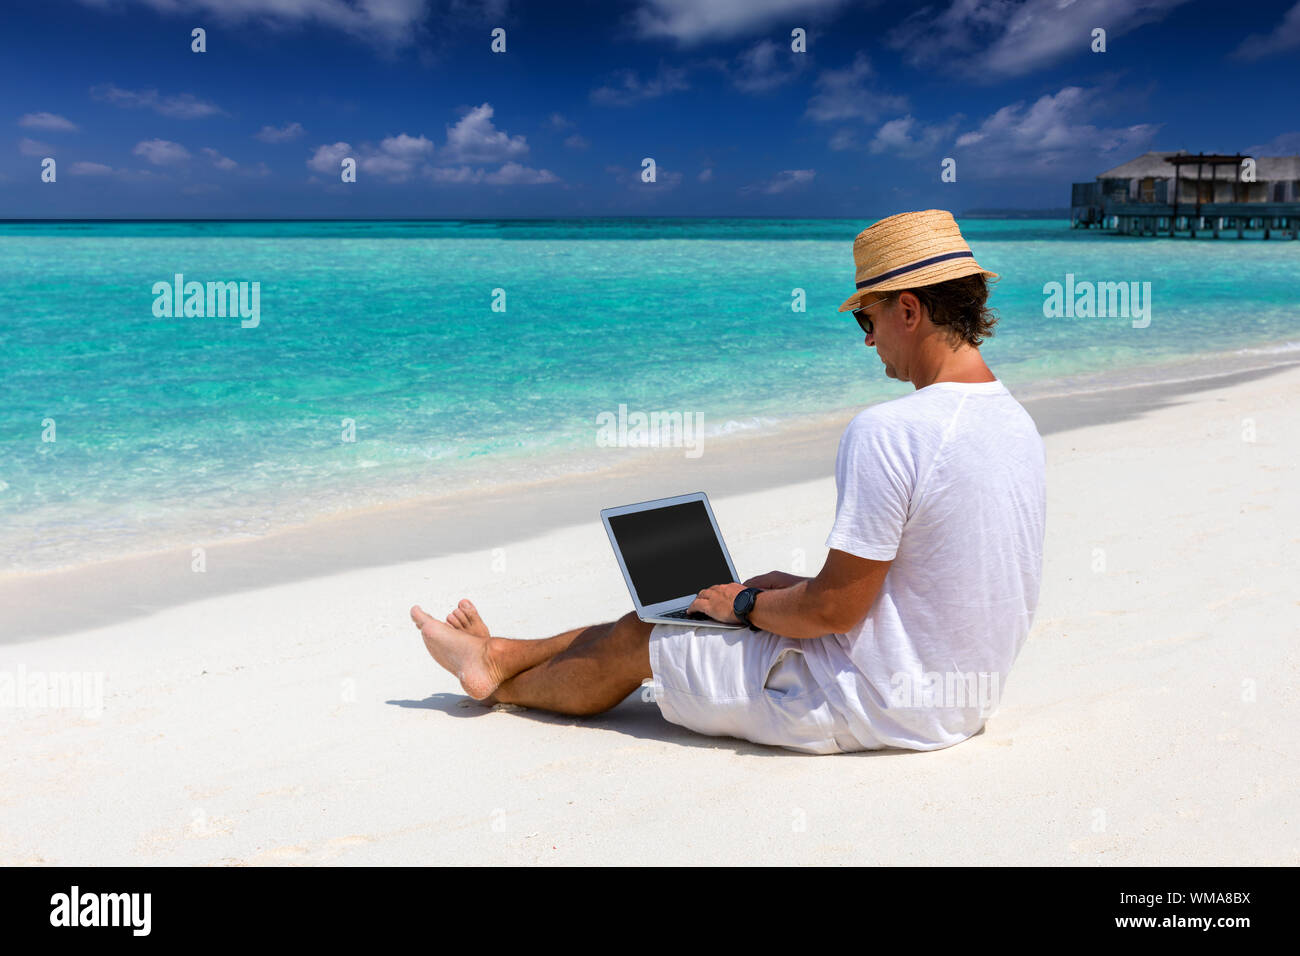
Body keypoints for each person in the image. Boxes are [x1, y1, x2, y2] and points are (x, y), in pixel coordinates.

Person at [411, 209, 1046, 754]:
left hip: (874, 704)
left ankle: (496, 676)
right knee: (694, 608)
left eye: (867, 320)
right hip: (961, 697)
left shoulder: (891, 430)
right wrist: (782, 592)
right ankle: (499, 652)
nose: (868, 341)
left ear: (908, 309)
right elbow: (932, 577)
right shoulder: (1015, 422)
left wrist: (746, 605)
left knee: (649, 631)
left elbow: (833, 610)